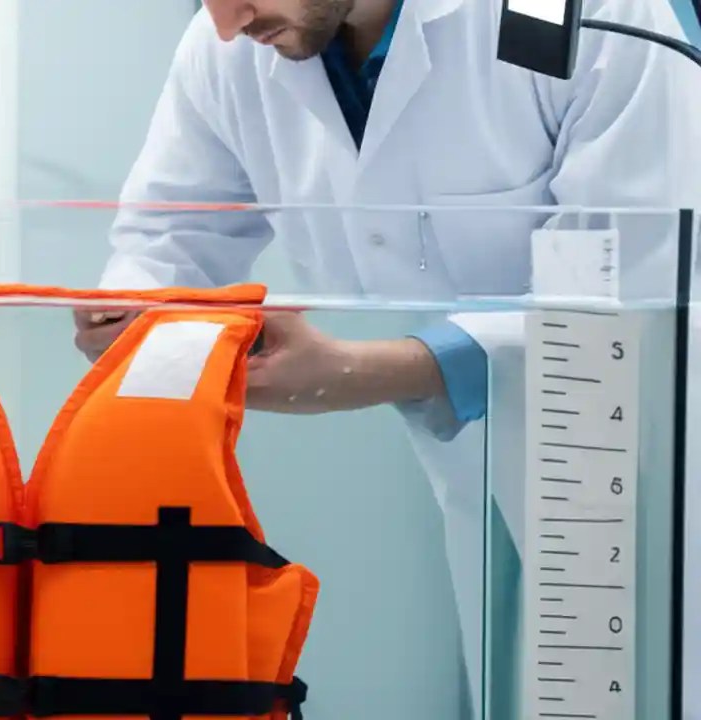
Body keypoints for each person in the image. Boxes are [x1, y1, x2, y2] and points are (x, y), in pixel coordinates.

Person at [74, 0, 701, 716]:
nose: (226, 21)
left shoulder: (577, 13)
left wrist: (375, 369)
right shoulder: (229, 45)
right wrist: (133, 305)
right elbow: (168, 240)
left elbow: (639, 279)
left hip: (647, 462)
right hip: (477, 476)